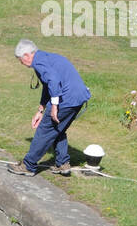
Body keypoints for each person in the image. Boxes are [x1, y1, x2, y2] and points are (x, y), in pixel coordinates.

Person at [8, 39, 90, 176]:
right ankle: (63, 163)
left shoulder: (38, 62)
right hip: (79, 98)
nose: (21, 63)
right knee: (58, 128)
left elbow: (53, 81)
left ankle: (28, 166)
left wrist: (54, 106)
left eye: (20, 60)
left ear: (27, 56)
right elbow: (48, 86)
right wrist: (41, 109)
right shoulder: (45, 57)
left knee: (45, 130)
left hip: (67, 99)